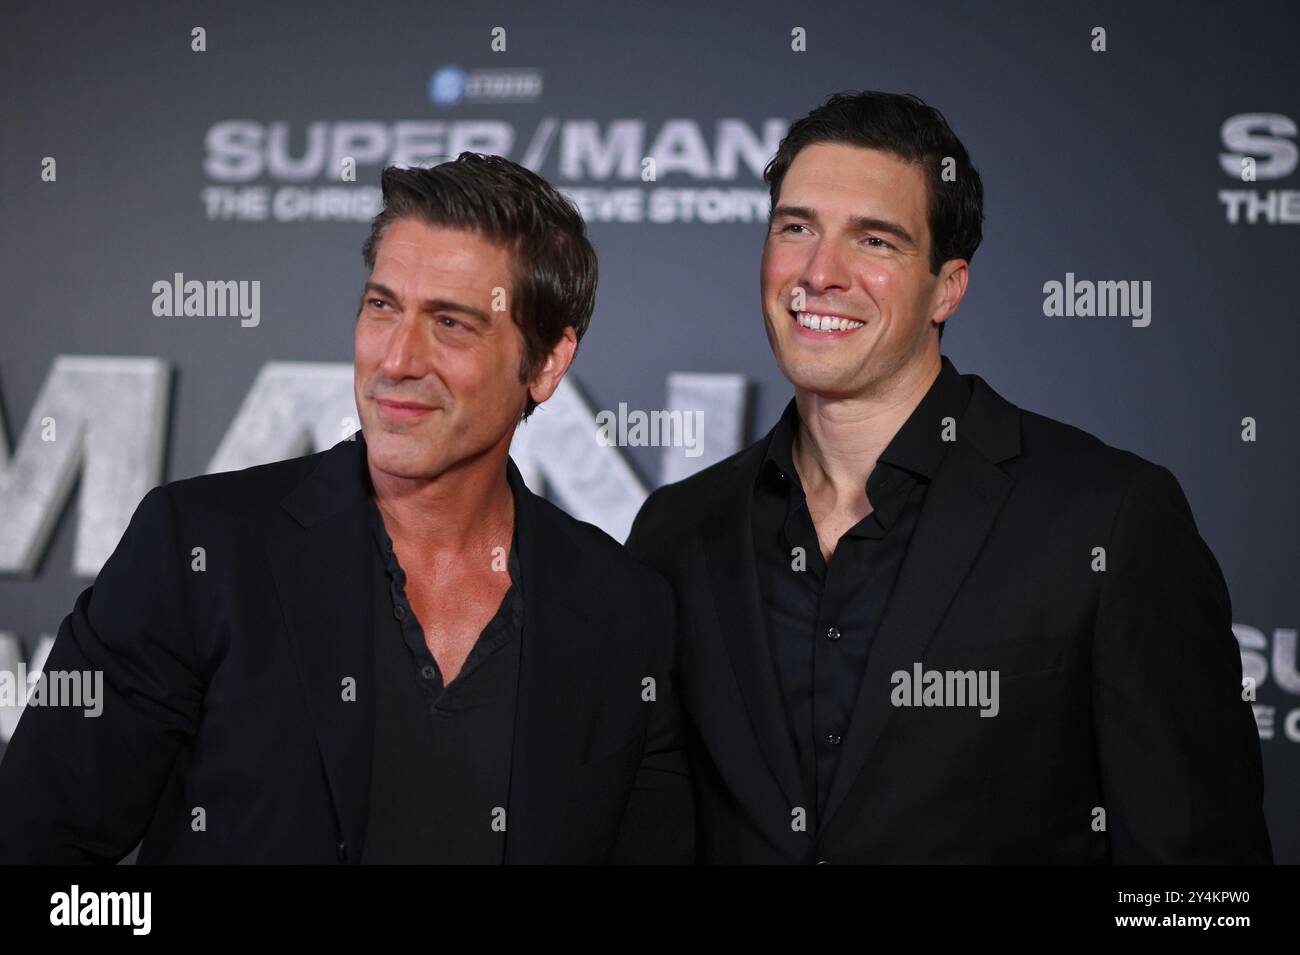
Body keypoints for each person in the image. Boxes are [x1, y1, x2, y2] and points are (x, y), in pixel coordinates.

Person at [626, 91, 1270, 864]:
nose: (820, 272)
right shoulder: (677, 530)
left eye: (875, 241)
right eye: (796, 227)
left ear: (948, 287)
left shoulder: (1108, 520)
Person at [0, 153, 693, 864]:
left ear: (547, 363)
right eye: (382, 305)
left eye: (451, 323)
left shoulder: (624, 613)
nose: (397, 358)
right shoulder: (199, 552)